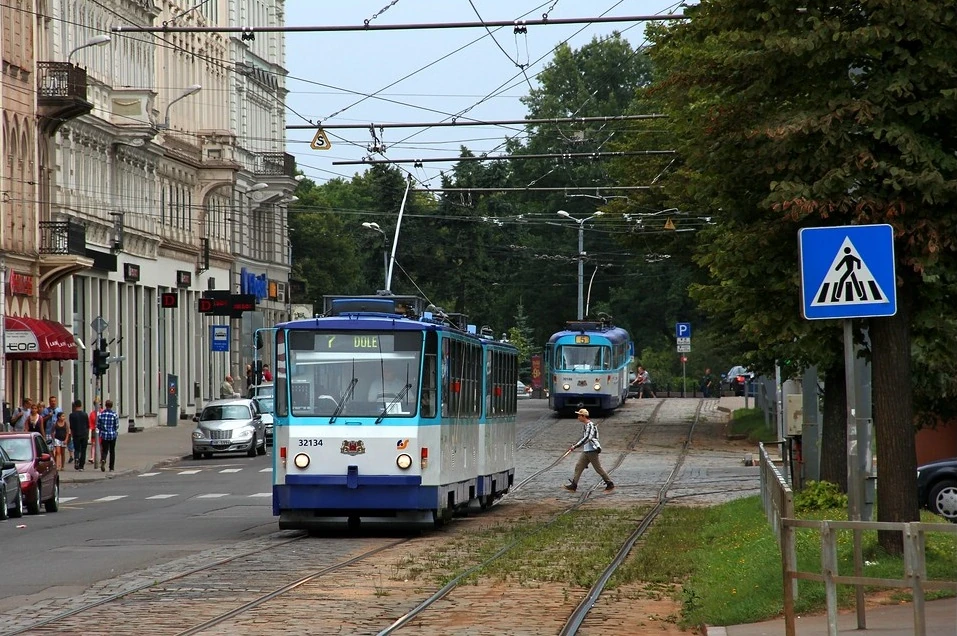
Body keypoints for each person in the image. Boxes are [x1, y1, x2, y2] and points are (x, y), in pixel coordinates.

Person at [563, 408, 614, 492]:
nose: (578, 417)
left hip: (592, 450)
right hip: (587, 450)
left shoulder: (590, 425)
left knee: (598, 468)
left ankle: (609, 483)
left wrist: (576, 446)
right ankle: (574, 485)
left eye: (579, 415)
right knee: (579, 466)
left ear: (583, 416)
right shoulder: (586, 425)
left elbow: (587, 438)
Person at [96, 399, 119, 472]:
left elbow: (98, 425)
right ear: (111, 406)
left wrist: (102, 430)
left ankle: (103, 459)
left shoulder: (101, 414)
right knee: (112, 451)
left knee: (104, 450)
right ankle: (111, 467)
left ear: (105, 406)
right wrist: (113, 430)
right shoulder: (114, 414)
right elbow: (117, 425)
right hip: (112, 435)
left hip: (104, 435)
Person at [69, 399, 89, 471]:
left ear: (74, 406)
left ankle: (76, 458)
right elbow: (87, 425)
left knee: (77, 449)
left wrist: (72, 434)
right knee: (83, 450)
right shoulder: (85, 414)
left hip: (76, 434)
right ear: (81, 405)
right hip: (84, 434)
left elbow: (71, 426)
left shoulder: (72, 415)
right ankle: (81, 466)